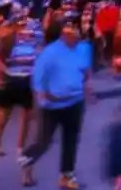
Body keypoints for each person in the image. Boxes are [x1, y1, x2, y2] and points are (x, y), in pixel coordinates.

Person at [20, 20, 92, 189]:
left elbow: (85, 71)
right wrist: (41, 97)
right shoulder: (50, 52)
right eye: (69, 31)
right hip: (52, 105)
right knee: (43, 142)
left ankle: (66, 177)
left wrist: (87, 88)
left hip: (75, 102)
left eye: (75, 29)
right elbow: (38, 76)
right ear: (62, 34)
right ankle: (26, 160)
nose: (73, 33)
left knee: (71, 141)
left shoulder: (84, 48)